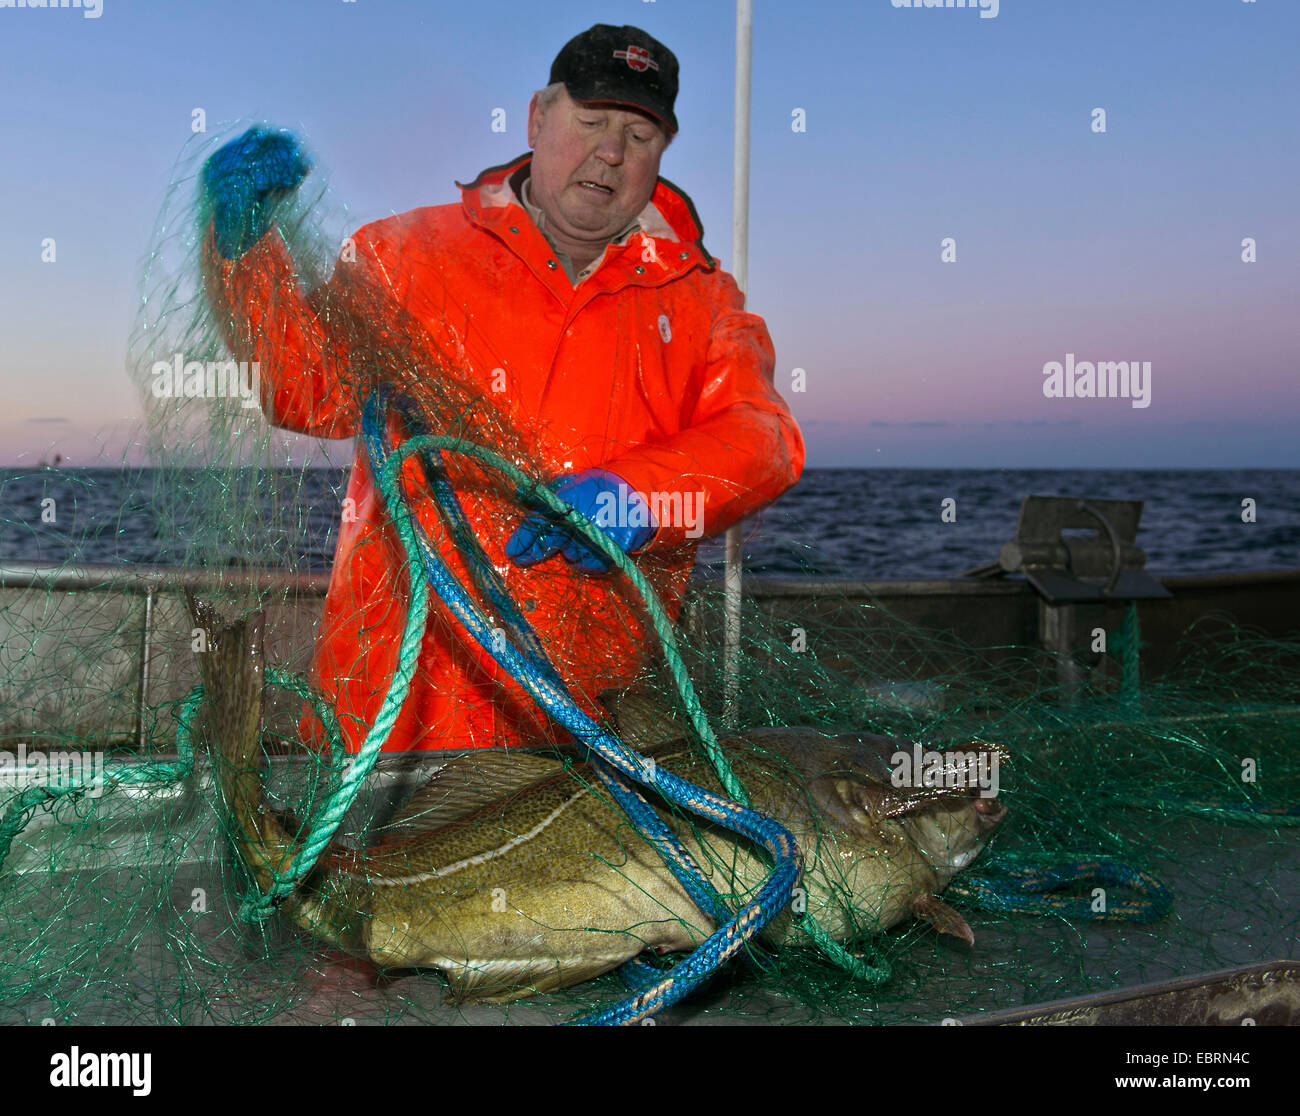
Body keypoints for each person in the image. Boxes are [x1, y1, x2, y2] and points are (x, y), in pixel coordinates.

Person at [201, 24, 804, 753]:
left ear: (662, 153)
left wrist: (643, 494)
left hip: (587, 731)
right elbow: (305, 386)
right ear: (537, 118)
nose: (610, 152)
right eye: (590, 121)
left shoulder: (705, 299)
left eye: (640, 134)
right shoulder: (404, 254)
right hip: (389, 723)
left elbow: (763, 438)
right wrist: (243, 254)